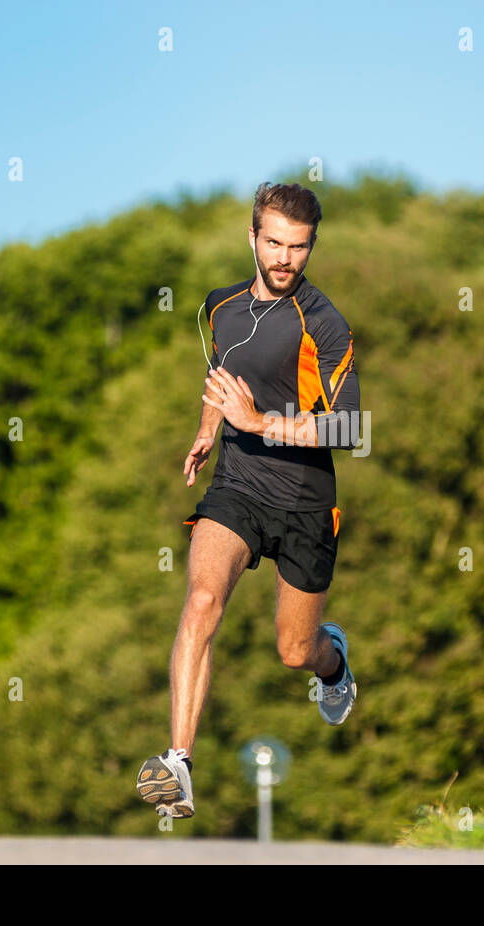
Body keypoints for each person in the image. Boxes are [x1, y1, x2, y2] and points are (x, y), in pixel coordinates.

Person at [136, 182, 363, 819]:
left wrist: (262, 422)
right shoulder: (219, 308)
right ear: (252, 237)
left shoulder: (325, 324)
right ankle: (178, 765)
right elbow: (222, 376)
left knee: (295, 650)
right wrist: (210, 430)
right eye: (274, 243)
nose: (285, 259)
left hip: (305, 501)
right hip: (237, 486)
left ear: (312, 246)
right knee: (202, 599)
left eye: (299, 247)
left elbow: (351, 427)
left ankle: (334, 664)